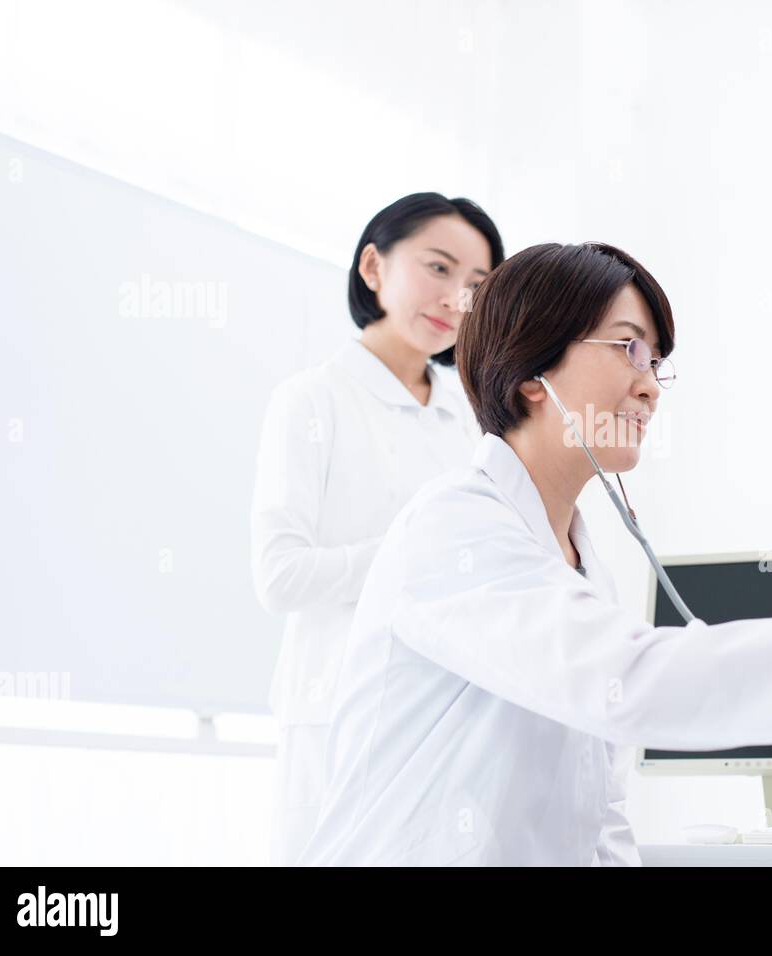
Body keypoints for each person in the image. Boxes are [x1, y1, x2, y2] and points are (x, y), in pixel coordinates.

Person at [300, 241, 772, 866]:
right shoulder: (453, 528)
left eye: (657, 362)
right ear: (530, 373)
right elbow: (635, 678)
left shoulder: (578, 562)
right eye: (628, 348)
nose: (650, 387)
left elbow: (599, 817)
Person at [250, 192, 503, 865]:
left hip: (444, 720)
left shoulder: (472, 421)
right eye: (439, 268)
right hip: (332, 711)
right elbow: (280, 576)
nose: (455, 298)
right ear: (373, 266)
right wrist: (409, 557)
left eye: (476, 286)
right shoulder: (312, 400)